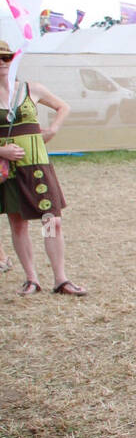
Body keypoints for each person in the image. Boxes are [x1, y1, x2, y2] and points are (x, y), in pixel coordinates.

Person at [0, 43, 86, 295]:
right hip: (9, 170)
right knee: (18, 224)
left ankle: (60, 279)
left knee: (51, 220)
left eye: (7, 57)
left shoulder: (30, 89)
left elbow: (63, 106)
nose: (3, 62)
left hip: (36, 164)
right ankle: (31, 279)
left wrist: (53, 130)